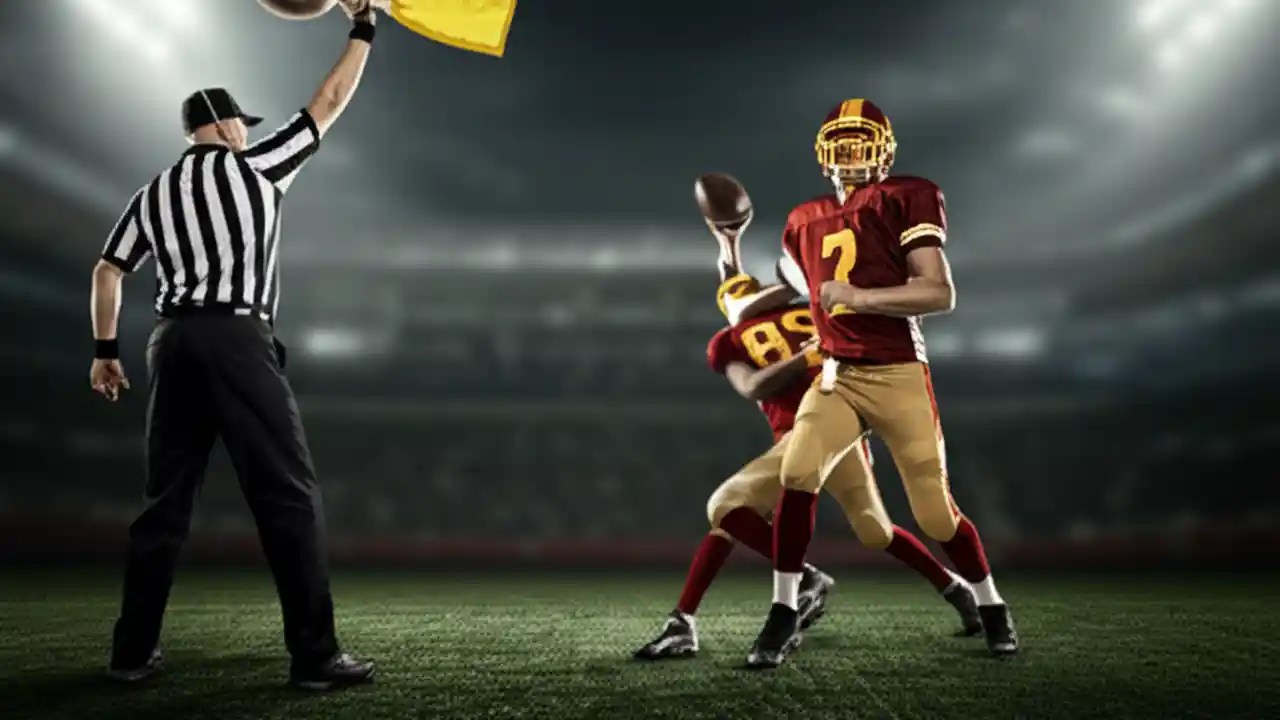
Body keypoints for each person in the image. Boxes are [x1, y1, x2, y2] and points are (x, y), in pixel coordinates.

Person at [90, 1, 382, 690]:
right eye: (241, 126)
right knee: (289, 494)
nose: (248, 135)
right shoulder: (256, 169)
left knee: (164, 503)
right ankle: (314, 658)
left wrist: (105, 350)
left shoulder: (152, 193)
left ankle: (131, 654)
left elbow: (108, 268)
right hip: (236, 337)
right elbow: (329, 101)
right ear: (221, 126)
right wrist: (365, 25)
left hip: (171, 344)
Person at [746, 98, 1019, 669]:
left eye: (859, 139)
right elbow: (786, 287)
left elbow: (939, 293)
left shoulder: (905, 196)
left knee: (934, 514)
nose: (849, 151)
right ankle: (782, 611)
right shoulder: (802, 219)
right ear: (823, 152)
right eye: (839, 140)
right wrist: (730, 271)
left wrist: (860, 298)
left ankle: (991, 604)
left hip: (896, 371)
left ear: (884, 148)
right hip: (837, 375)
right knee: (797, 474)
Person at [632, 228, 982, 661]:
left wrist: (730, 244)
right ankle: (955, 588)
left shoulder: (764, 323)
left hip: (820, 426)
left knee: (728, 507)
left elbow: (734, 293)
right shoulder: (798, 315)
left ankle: (782, 590)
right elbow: (754, 372)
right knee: (873, 530)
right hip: (833, 428)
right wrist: (732, 247)